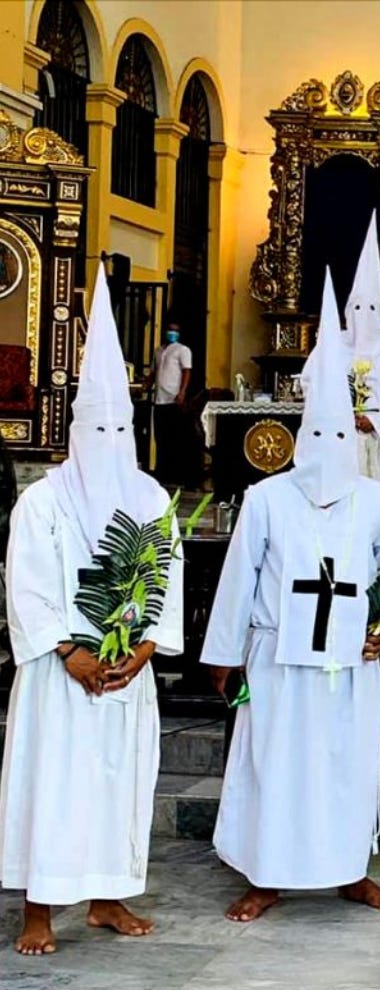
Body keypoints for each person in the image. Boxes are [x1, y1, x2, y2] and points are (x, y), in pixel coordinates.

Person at [202, 272, 380, 923]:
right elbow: (239, 575)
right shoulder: (267, 498)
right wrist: (224, 653)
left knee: (347, 764)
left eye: (338, 436)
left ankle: (350, 869)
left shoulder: (376, 502)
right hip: (277, 660)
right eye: (315, 436)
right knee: (275, 764)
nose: (326, 451)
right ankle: (267, 873)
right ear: (298, 434)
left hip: (349, 661)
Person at [0, 263, 183, 954]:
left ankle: (107, 897)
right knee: (53, 782)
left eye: (119, 426)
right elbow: (28, 584)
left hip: (123, 674)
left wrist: (141, 651)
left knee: (117, 779)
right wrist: (70, 651)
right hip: (59, 672)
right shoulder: (41, 501)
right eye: (96, 426)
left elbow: (165, 574)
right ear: (77, 428)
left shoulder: (149, 498)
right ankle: (40, 910)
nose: (108, 438)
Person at [312, 212, 380, 509]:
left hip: (378, 436)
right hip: (337, 433)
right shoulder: (334, 346)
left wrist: (374, 419)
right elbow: (311, 378)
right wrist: (335, 411)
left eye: (370, 307)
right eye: (357, 306)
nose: (363, 314)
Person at [152, 322, 193, 487]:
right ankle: (162, 473)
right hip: (159, 399)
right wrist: (146, 386)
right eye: (170, 330)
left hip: (173, 399)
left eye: (175, 331)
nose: (172, 333)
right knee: (160, 437)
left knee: (174, 438)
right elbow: (154, 371)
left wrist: (182, 391)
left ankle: (176, 475)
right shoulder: (158, 351)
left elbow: (187, 371)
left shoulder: (182, 350)